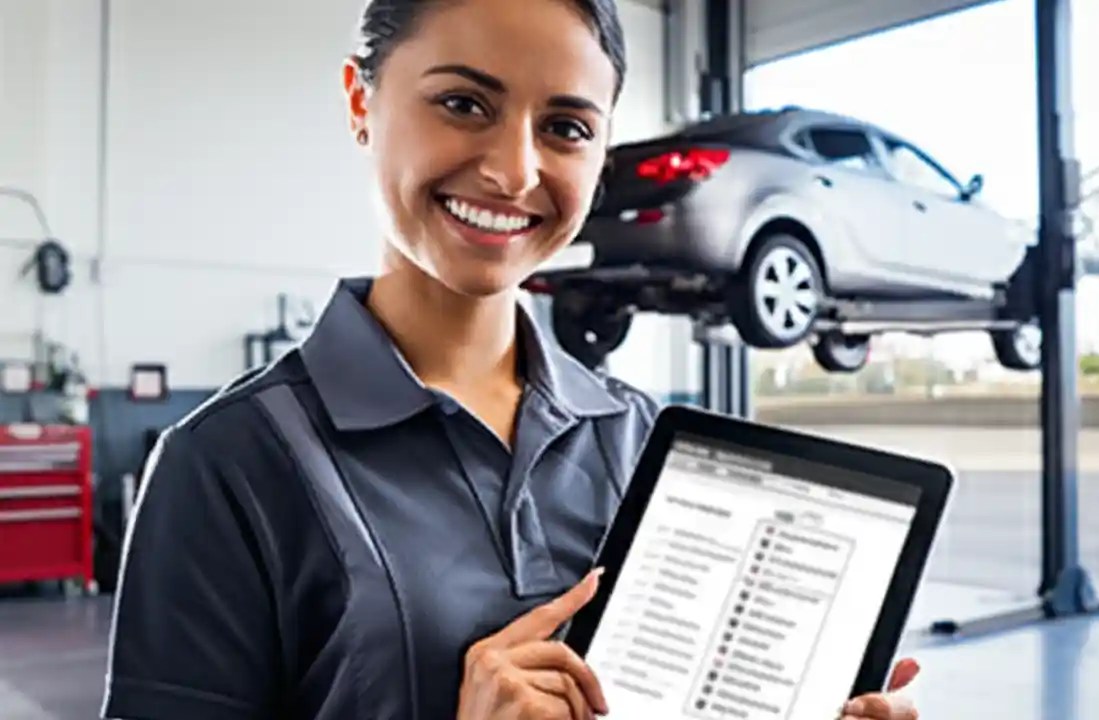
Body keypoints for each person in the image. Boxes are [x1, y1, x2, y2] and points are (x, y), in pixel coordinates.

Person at [101, 1, 923, 718]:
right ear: (361, 101)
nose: (513, 170)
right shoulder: (227, 465)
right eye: (463, 103)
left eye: (565, 128)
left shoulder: (642, 438)